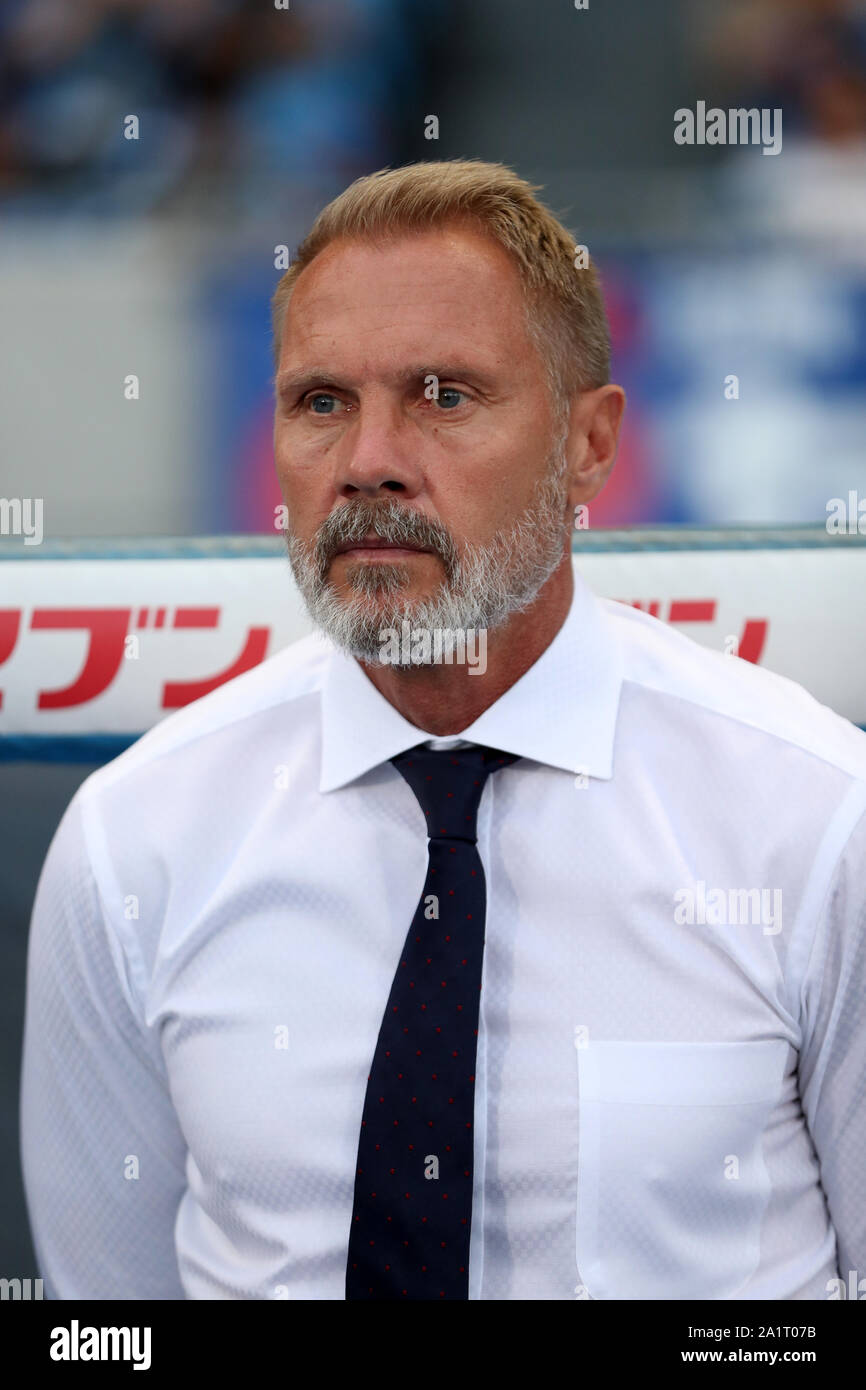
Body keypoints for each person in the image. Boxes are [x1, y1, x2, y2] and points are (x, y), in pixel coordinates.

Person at [20, 159, 866, 1301]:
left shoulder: (812, 816)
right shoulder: (135, 842)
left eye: (442, 395)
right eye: (321, 402)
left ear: (589, 446)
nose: (368, 461)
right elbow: (108, 1313)